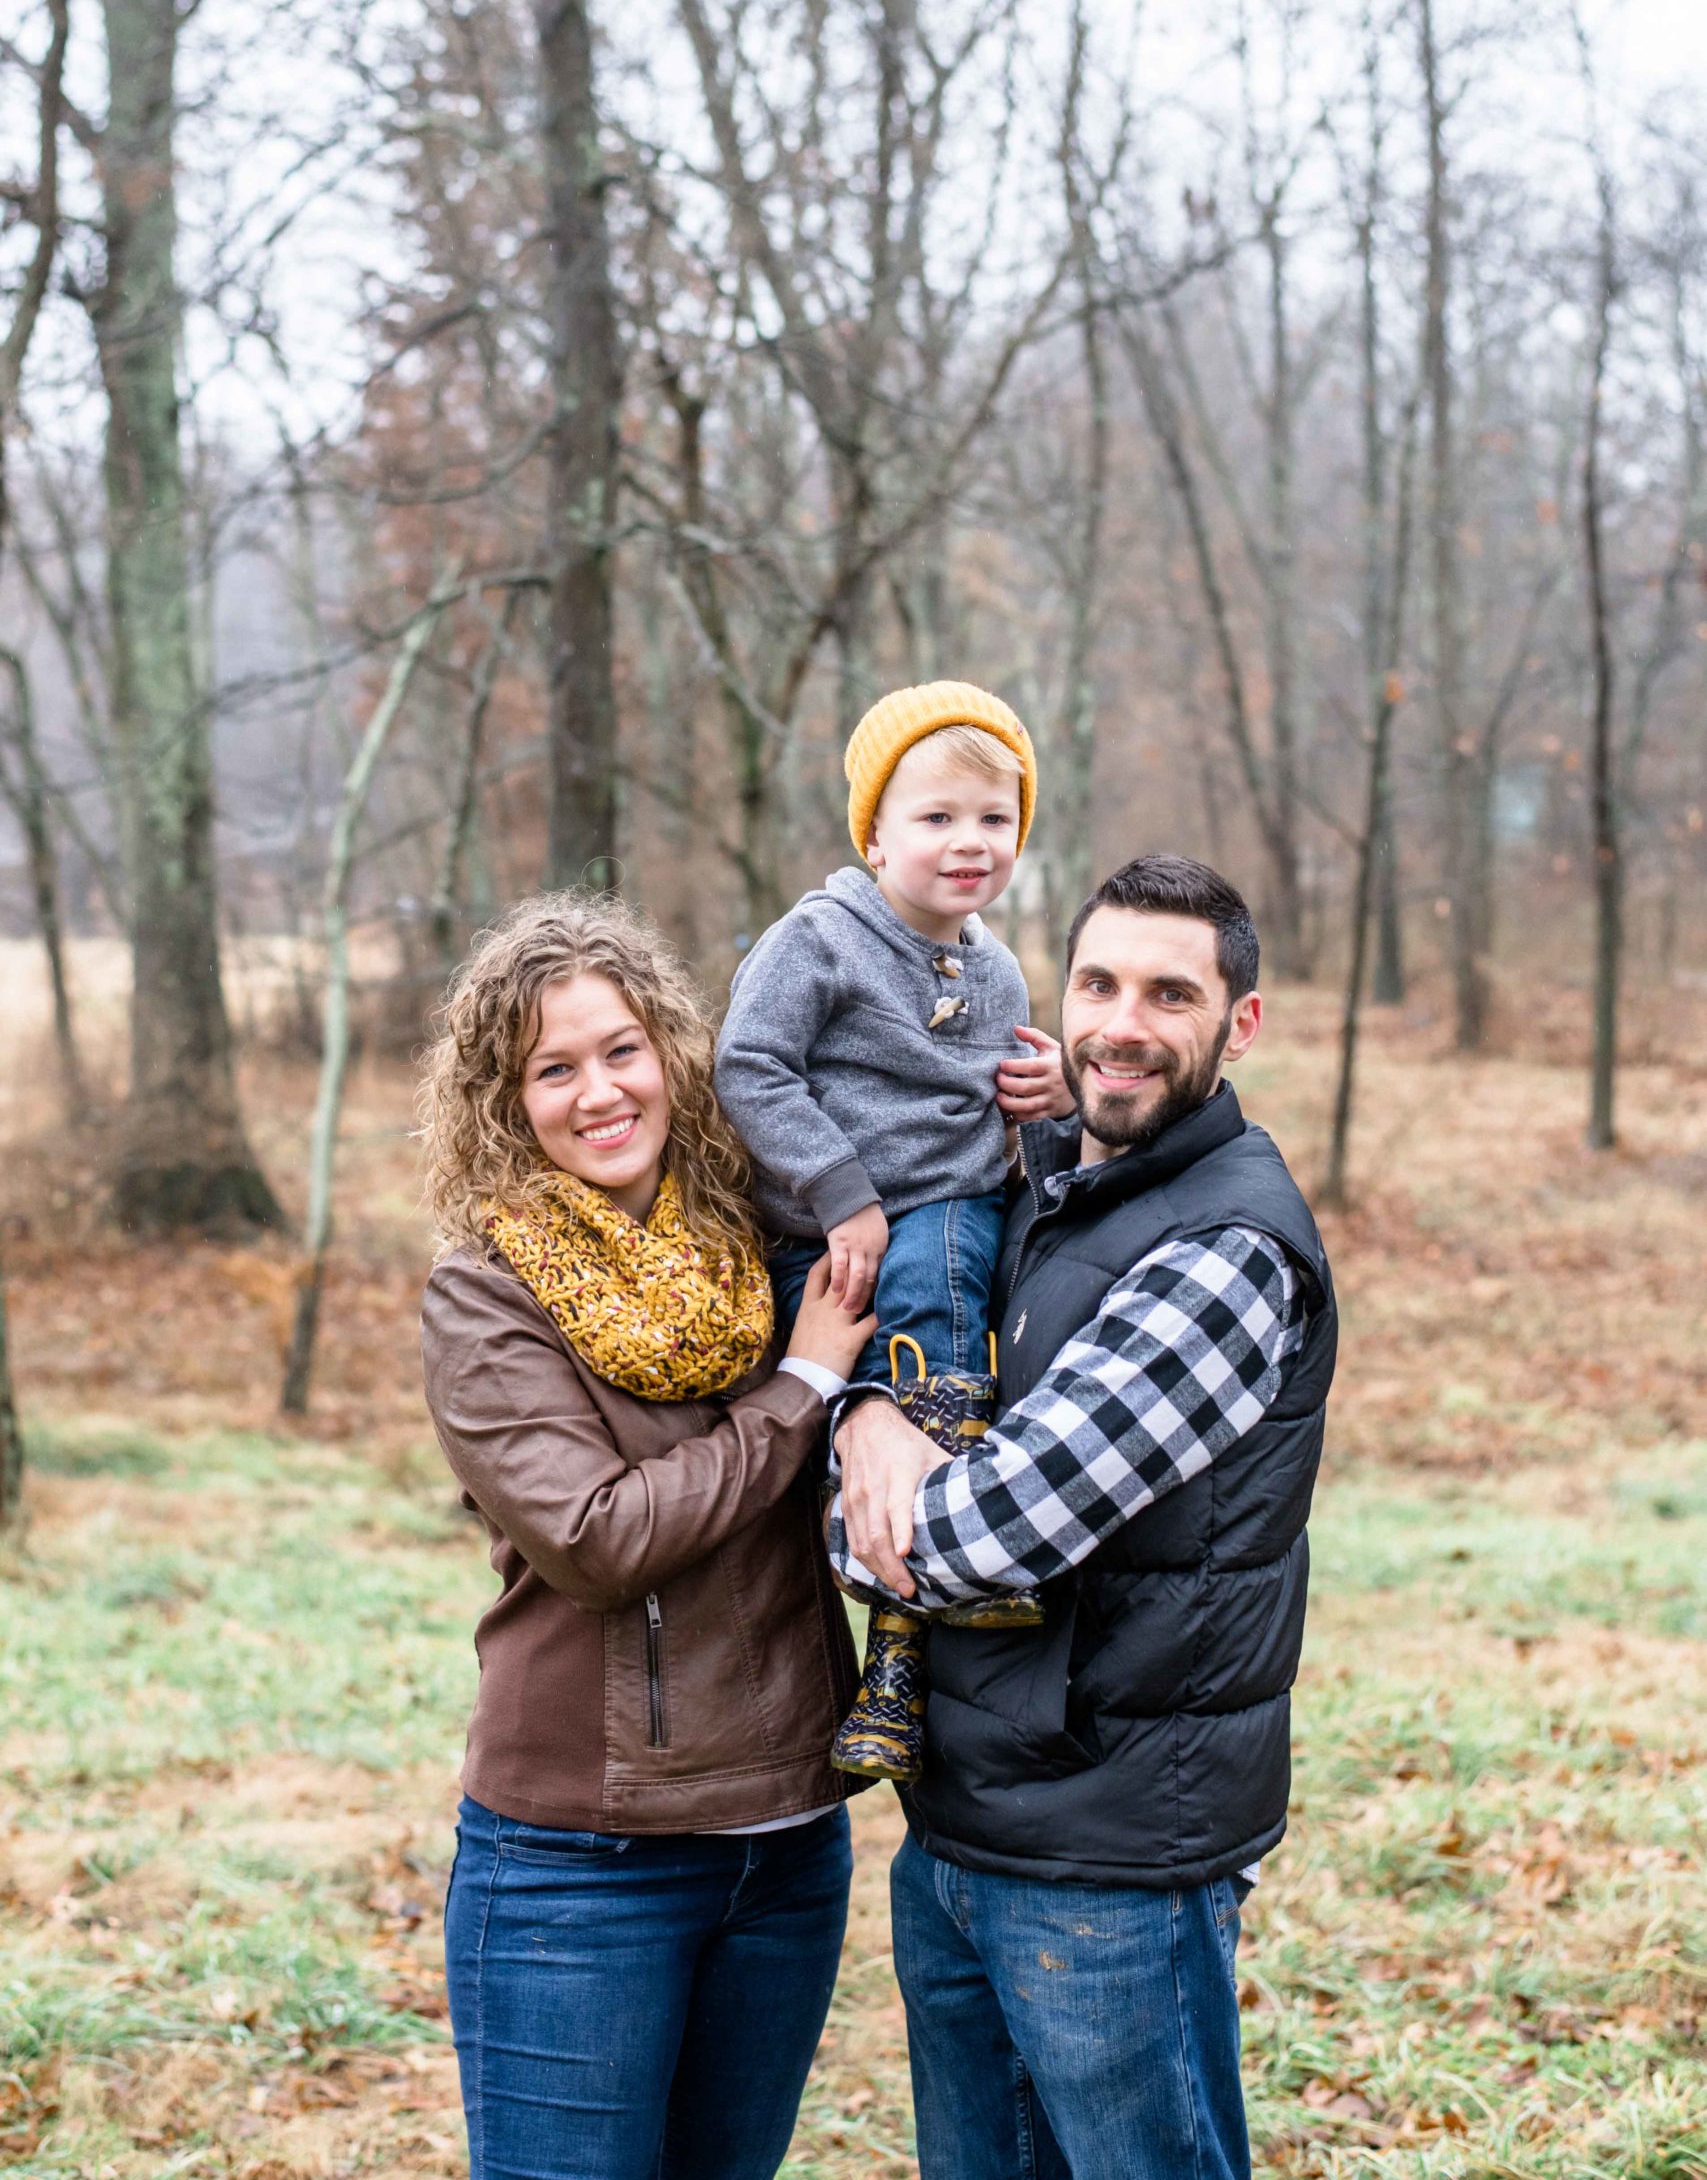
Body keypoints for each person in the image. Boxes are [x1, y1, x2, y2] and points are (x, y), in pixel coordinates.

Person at [832, 855, 1339, 2180]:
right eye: (1095, 982)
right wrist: (865, 1421)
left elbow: (977, 1537)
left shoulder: (1223, 1252)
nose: (1118, 1021)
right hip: (965, 1826)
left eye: (1169, 993)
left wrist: (829, 1490)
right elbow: (901, 1384)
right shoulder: (1053, 1188)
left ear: (1239, 1024)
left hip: (1107, 1868)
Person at [418, 893, 877, 2180]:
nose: (599, 1091)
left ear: (671, 1053)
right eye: (552, 1069)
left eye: (622, 1049)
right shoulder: (487, 1289)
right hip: (580, 1859)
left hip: (785, 1836)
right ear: (508, 1103)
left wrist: (1027, 1086)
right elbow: (598, 1536)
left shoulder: (760, 1237)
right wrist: (800, 1390)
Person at [715, 680, 1073, 1780]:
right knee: (912, 1376)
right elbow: (748, 1064)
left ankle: (905, 1654)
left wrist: (1052, 1092)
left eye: (994, 819)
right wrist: (842, 1190)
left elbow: (1001, 1096)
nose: (970, 842)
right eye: (936, 817)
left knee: (951, 1387)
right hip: (846, 1238)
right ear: (874, 834)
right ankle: (925, 1600)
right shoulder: (819, 939)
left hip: (963, 1222)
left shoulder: (999, 963)